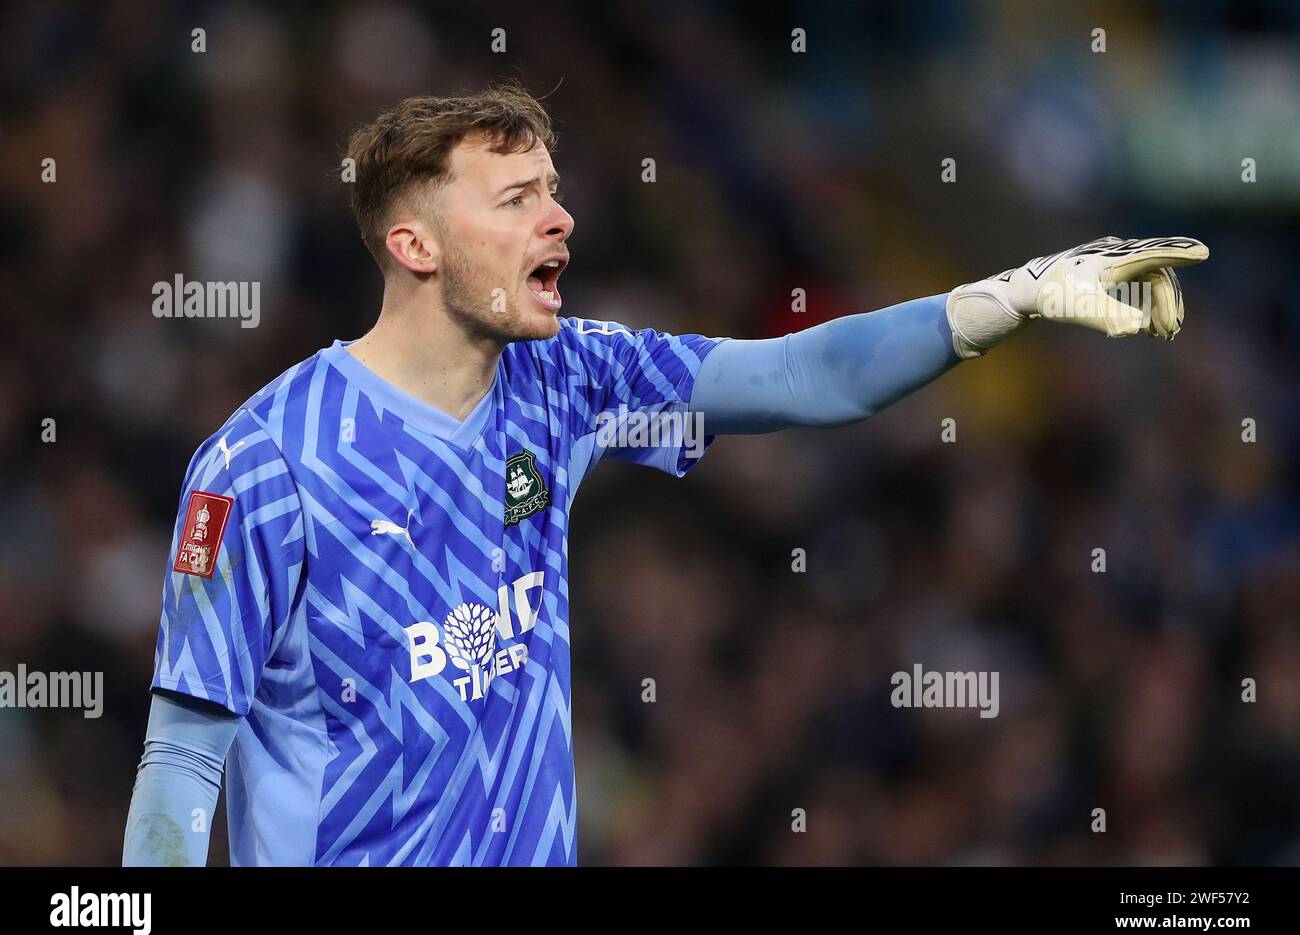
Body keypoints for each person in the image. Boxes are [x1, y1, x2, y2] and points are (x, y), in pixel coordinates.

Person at [122, 81, 1208, 866]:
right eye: (513, 199)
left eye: (552, 191)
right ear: (414, 245)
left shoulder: (567, 375)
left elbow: (798, 375)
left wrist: (1009, 296)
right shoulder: (260, 467)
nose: (559, 217)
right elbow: (181, 757)